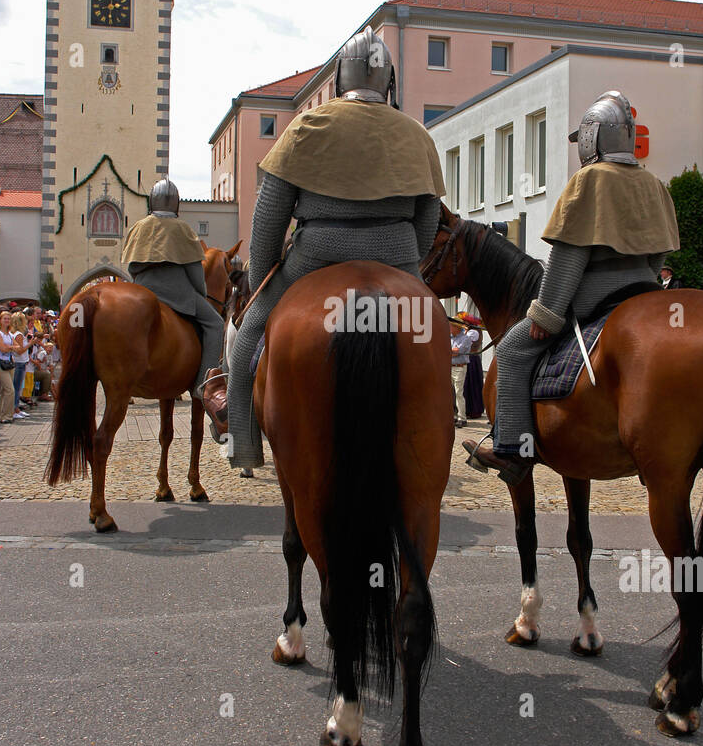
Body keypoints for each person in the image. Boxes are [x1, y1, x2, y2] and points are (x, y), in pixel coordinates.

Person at [211, 26, 445, 467]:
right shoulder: (416, 134)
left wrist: (263, 279)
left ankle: (242, 442)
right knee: (434, 337)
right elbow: (428, 218)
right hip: (396, 255)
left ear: (339, 79)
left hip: (316, 257)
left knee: (246, 339)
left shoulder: (309, 124)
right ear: (389, 80)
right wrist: (406, 262)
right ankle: (440, 422)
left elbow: (268, 217)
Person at [465, 90, 679, 482]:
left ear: (591, 137)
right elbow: (658, 257)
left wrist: (546, 314)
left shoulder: (589, 180)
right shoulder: (653, 182)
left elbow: (568, 259)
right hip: (646, 293)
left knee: (511, 351)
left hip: (593, 297)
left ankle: (512, 450)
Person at [120, 178, 225, 410]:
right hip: (179, 294)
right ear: (176, 204)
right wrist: (200, 293)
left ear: (151, 201)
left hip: (142, 291)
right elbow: (196, 273)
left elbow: (132, 268)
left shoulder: (139, 227)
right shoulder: (182, 229)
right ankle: (205, 385)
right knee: (216, 324)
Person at [449, 315, 479, 427]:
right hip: (450, 366)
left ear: (456, 327)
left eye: (451, 326)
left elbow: (457, 351)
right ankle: (453, 416)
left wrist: (449, 350)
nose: (449, 328)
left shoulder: (465, 338)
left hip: (459, 367)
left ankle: (462, 417)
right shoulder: (450, 337)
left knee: (458, 393)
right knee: (450, 393)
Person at [0, 309, 17, 423]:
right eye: (4, 318)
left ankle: (0, 415)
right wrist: (10, 347)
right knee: (10, 389)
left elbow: (18, 347)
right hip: (0, 362)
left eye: (8, 319)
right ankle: (8, 415)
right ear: (0, 320)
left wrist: (9, 347)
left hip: (9, 362)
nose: (7, 320)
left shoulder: (10, 334)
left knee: (4, 390)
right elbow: (2, 348)